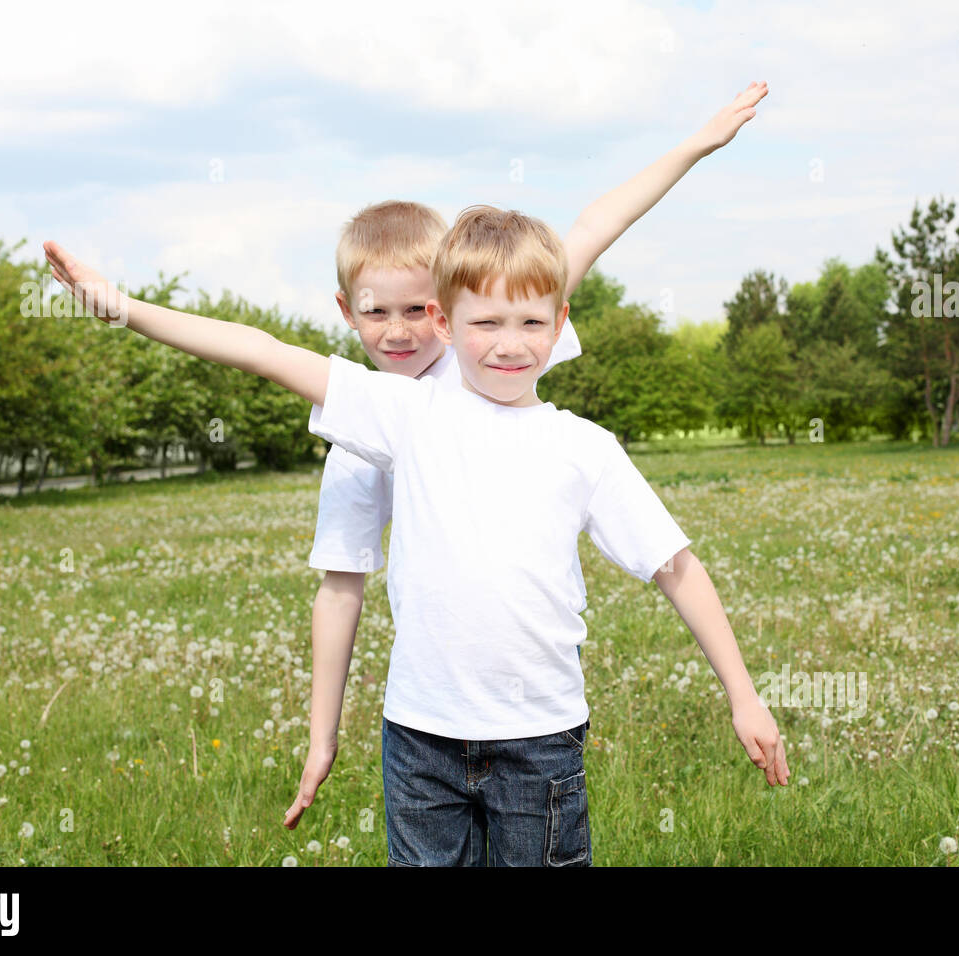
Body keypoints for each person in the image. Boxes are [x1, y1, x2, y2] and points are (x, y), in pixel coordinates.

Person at [43, 205, 789, 871]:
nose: (508, 343)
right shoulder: (404, 414)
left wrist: (744, 696)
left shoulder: (586, 448)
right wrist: (123, 307)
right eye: (485, 324)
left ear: (559, 326)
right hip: (420, 742)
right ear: (445, 322)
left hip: (541, 741)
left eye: (530, 324)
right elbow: (261, 350)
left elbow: (677, 567)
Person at [288, 81, 771, 835]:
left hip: (535, 723)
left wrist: (694, 145)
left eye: (418, 309)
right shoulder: (368, 429)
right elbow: (339, 590)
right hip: (428, 727)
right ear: (346, 312)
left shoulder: (491, 345)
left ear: (446, 308)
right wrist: (323, 735)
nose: (400, 332)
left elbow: (594, 224)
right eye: (376, 312)